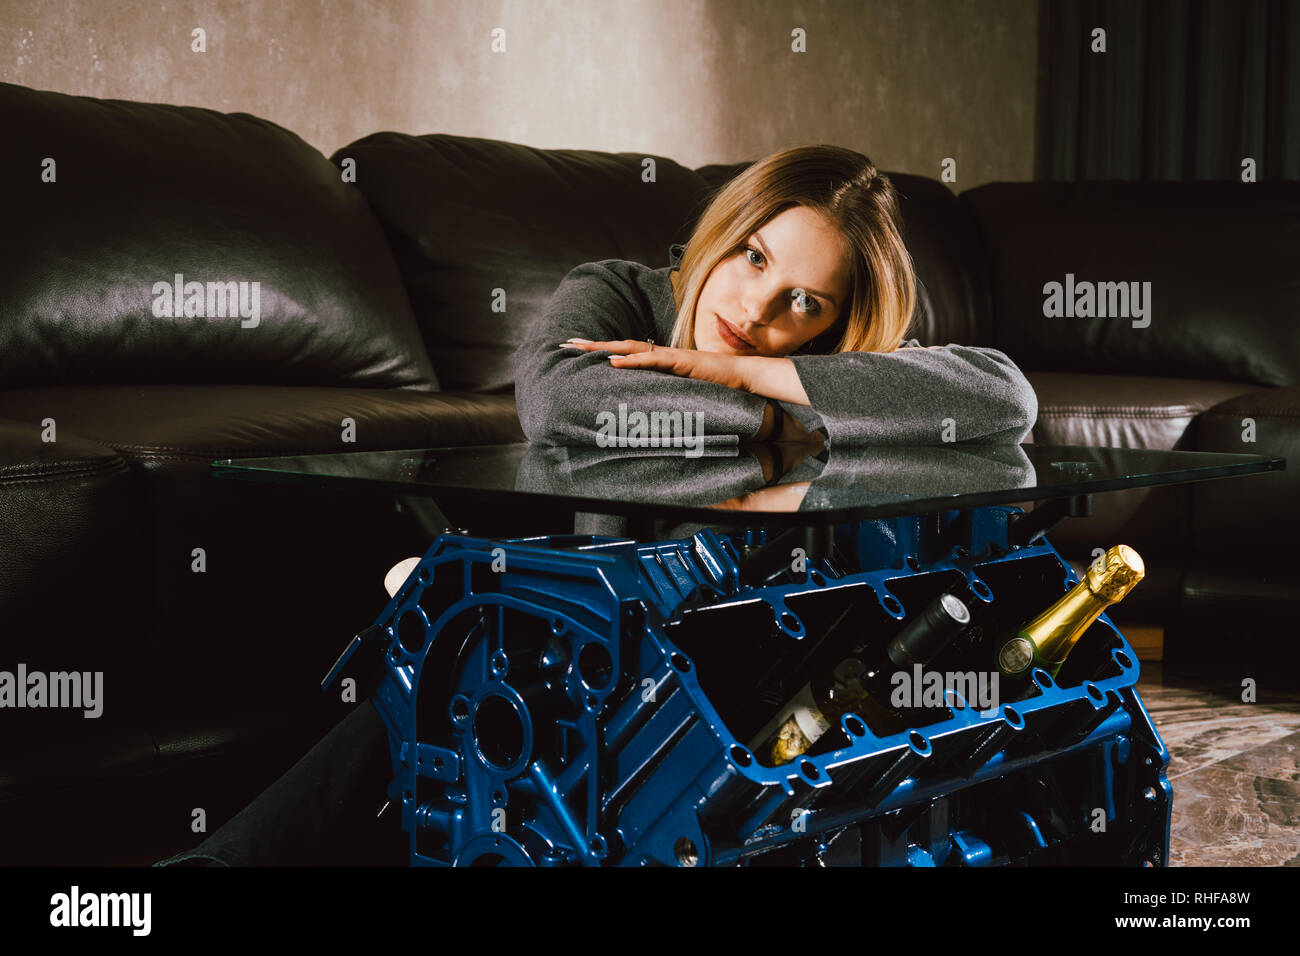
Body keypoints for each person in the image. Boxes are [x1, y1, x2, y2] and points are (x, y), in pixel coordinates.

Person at [156, 144, 1038, 866]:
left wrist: (747, 371)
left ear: (831, 326)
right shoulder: (616, 292)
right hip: (588, 632)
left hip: (744, 648)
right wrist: (783, 414)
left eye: (800, 304)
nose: (753, 308)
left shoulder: (803, 359)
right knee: (450, 692)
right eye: (754, 258)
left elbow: (1005, 399)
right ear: (726, 231)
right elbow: (560, 402)